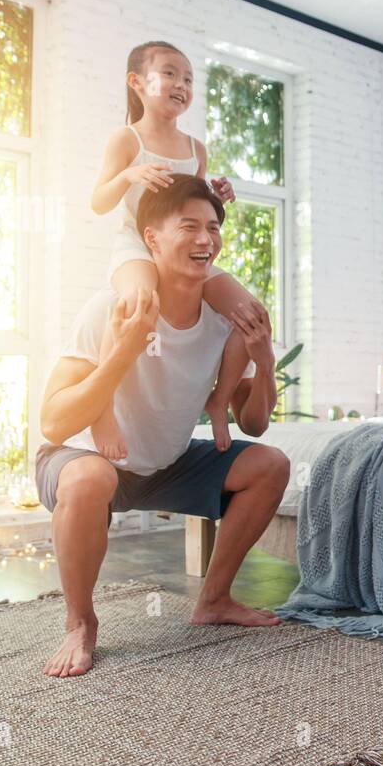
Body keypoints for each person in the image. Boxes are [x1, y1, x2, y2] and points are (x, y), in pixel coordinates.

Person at [35, 175, 289, 678]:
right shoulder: (109, 308)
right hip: (85, 461)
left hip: (165, 465)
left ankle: (214, 600)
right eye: (189, 226)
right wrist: (122, 353)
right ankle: (81, 622)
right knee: (91, 478)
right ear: (151, 239)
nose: (205, 239)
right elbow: (53, 421)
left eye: (213, 227)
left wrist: (264, 360)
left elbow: (255, 424)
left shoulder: (222, 325)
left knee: (270, 465)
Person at [88, 39, 263, 459]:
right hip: (137, 242)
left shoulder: (194, 148)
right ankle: (102, 410)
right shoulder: (126, 139)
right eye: (168, 73)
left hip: (181, 250)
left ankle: (218, 403)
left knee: (250, 312)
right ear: (136, 82)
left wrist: (218, 193)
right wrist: (130, 174)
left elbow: (199, 209)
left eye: (187, 78)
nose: (181, 84)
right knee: (137, 301)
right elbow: (99, 201)